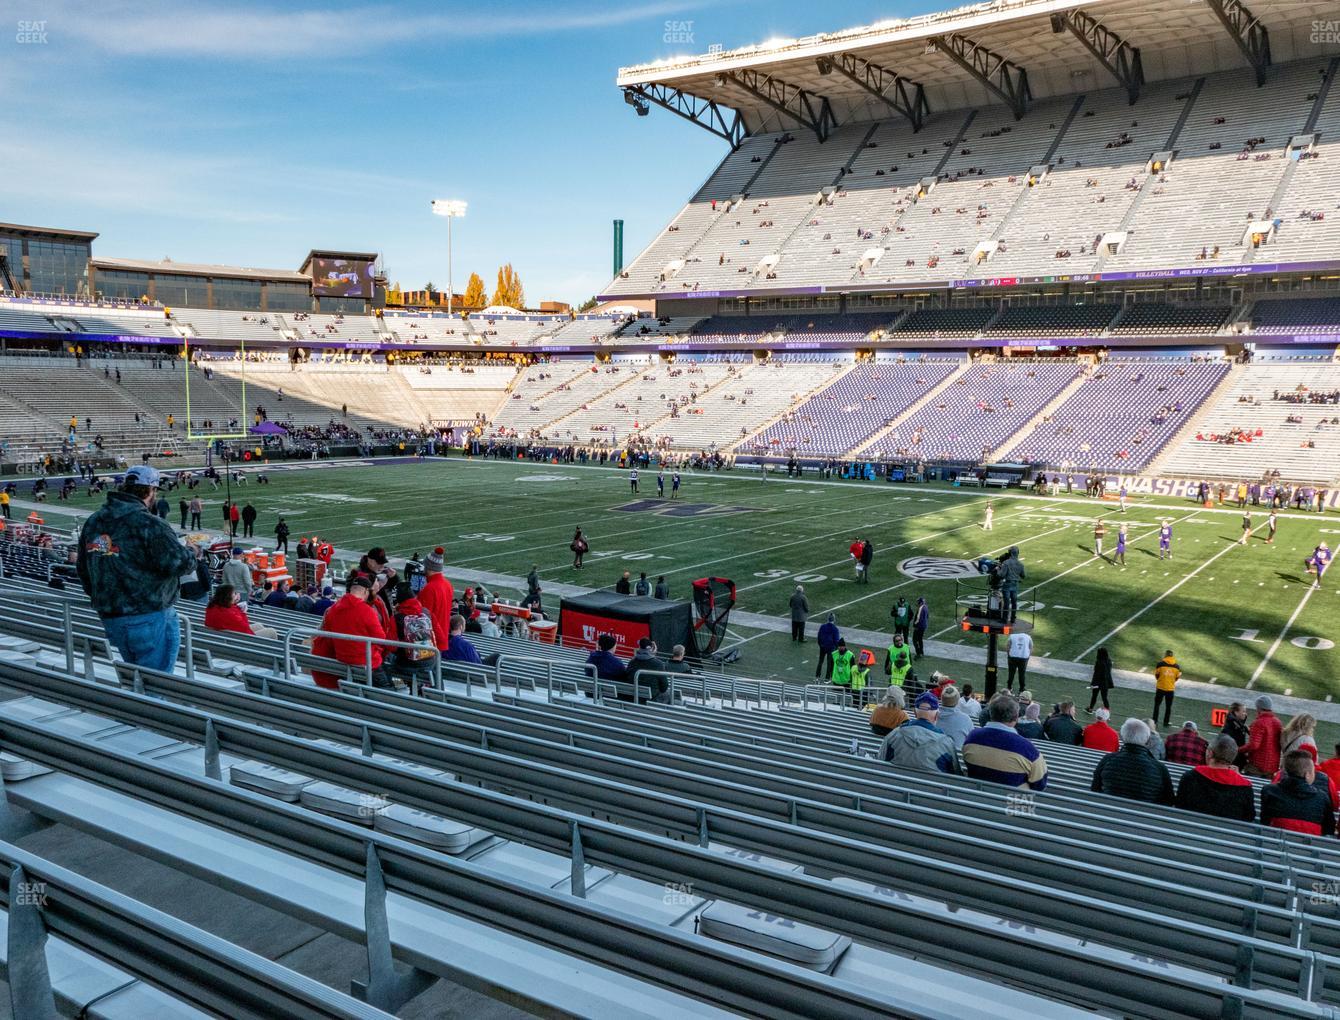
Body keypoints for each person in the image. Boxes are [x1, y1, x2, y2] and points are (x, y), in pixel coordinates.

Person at [77, 465, 198, 674]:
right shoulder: (149, 523)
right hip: (148, 615)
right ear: (151, 491)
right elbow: (178, 563)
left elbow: (84, 568)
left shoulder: (94, 521)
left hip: (112, 616)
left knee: (136, 679)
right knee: (154, 686)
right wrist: (192, 552)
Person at [311, 573, 395, 690]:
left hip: (343, 662)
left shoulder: (333, 609)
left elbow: (328, 637)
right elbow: (381, 639)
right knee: (389, 690)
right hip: (367, 663)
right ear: (366, 591)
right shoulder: (366, 610)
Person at [962, 694, 1048, 790]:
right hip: (1009, 802)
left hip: (974, 797)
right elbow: (1040, 784)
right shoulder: (1028, 749)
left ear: (991, 713)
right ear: (1016, 717)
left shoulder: (971, 737)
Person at [1091, 718, 1175, 804]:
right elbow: (1169, 800)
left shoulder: (1107, 760)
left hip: (1107, 811)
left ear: (1123, 737)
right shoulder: (1160, 769)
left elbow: (1095, 789)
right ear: (1147, 739)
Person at [1175, 734, 1254, 821]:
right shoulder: (1245, 788)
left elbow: (1179, 807)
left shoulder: (1190, 777)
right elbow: (1249, 818)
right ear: (1233, 757)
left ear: (1210, 753)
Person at [881, 692, 961, 775]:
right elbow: (956, 775)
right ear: (937, 715)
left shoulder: (894, 734)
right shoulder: (947, 743)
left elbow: (881, 762)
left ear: (915, 713)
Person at [1261, 750, 1335, 836]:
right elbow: (1329, 829)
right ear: (1307, 775)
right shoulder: (1322, 798)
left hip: (1273, 843)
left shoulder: (1269, 791)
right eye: (1313, 771)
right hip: (1310, 846)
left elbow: (1265, 821)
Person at [417, 547, 455, 651]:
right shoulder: (448, 584)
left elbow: (422, 619)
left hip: (430, 642)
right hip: (442, 637)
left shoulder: (429, 588)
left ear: (429, 567)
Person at [1241, 695, 1283, 777]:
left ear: (1258, 707)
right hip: (1272, 767)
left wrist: (1239, 750)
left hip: (1256, 767)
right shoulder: (1278, 722)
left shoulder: (1259, 722)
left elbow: (1254, 745)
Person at [996, 546, 1025, 622]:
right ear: (1017, 553)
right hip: (1015, 585)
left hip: (1007, 585)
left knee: (1006, 603)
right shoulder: (1020, 564)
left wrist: (998, 570)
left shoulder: (1006, 563)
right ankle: (1013, 618)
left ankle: (1005, 619)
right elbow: (1023, 575)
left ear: (1010, 553)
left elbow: (1001, 575)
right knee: (1014, 602)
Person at [1152, 649, 1180, 727]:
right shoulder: (1177, 666)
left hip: (1160, 687)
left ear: (1165, 655)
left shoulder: (1160, 664)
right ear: (1172, 656)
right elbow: (1177, 678)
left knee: (1157, 705)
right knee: (1168, 707)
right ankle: (1166, 722)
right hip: (1170, 689)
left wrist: (1161, 680)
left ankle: (1155, 721)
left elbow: (1157, 675)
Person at [1086, 647, 1114, 712]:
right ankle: (1107, 712)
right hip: (1105, 682)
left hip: (1097, 682)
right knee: (1104, 698)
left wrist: (1093, 683)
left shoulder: (1099, 662)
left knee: (1094, 696)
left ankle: (1090, 708)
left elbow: (1096, 672)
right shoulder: (1109, 661)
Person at [816, 613, 840, 679]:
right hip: (831, 648)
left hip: (823, 646)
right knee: (829, 663)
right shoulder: (835, 629)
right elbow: (836, 640)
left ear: (828, 619)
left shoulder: (822, 626)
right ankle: (827, 678)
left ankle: (817, 676)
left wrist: (820, 644)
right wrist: (836, 648)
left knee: (820, 661)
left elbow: (819, 636)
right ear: (834, 620)